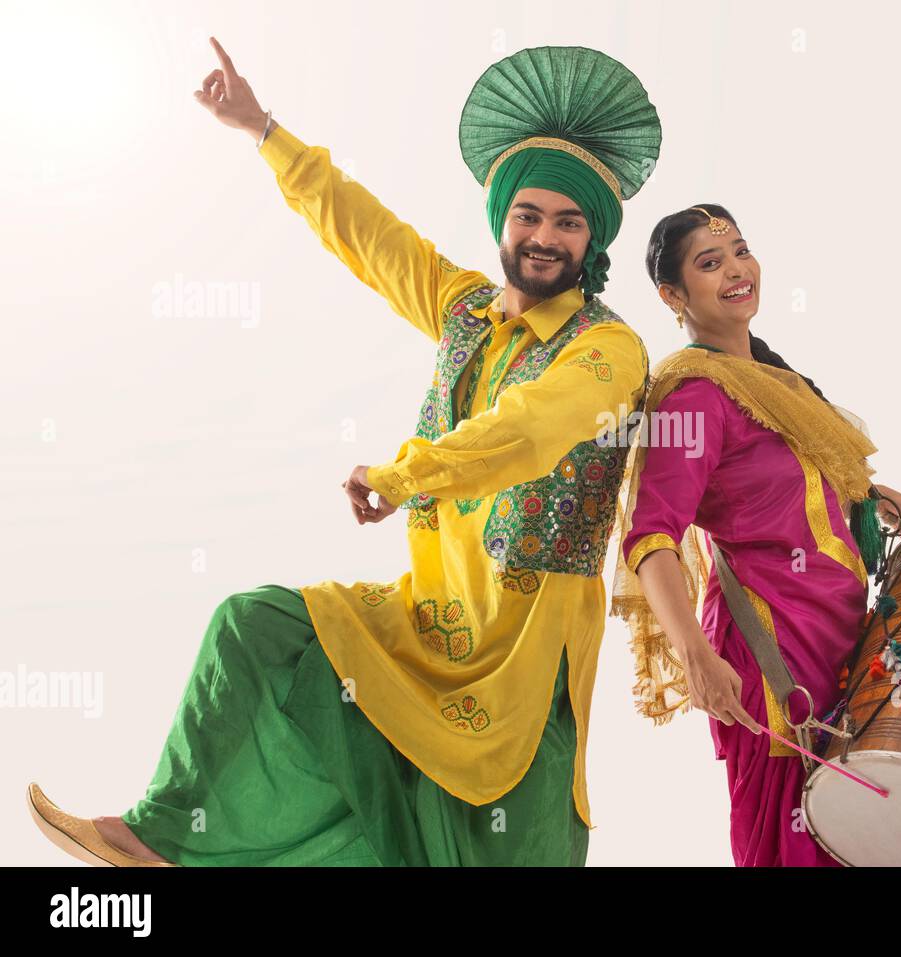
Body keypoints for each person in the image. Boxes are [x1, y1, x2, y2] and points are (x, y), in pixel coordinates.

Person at [27, 39, 661, 867]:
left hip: (524, 657)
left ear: (592, 238)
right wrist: (262, 130)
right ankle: (161, 835)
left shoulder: (608, 348)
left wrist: (406, 475)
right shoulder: (463, 307)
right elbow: (367, 234)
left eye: (568, 222)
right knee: (255, 626)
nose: (545, 236)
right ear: (502, 221)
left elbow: (532, 427)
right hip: (422, 624)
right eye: (529, 215)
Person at [609, 204, 901, 866]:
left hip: (839, 638)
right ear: (673, 296)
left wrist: (877, 499)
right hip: (769, 652)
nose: (736, 269)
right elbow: (650, 535)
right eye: (710, 261)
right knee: (794, 843)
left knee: (857, 838)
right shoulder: (693, 395)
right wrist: (696, 656)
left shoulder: (774, 384)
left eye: (740, 250)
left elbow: (802, 494)